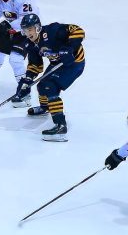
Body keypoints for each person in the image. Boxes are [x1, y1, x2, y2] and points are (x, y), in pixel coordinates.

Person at [12, 13, 85, 141]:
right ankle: (45, 107)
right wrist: (27, 80)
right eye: (25, 30)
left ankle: (60, 125)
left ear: (38, 27)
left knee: (49, 86)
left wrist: (70, 48)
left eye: (30, 29)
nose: (28, 33)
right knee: (41, 85)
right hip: (57, 63)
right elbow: (35, 65)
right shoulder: (31, 44)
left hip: (74, 64)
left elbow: (78, 30)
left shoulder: (52, 31)